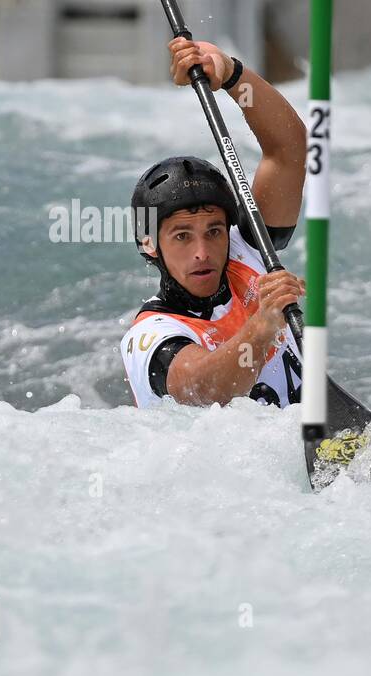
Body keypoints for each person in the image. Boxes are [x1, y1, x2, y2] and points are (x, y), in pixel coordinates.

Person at [121, 36, 307, 408]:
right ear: (149, 243)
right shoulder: (151, 334)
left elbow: (288, 148)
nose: (203, 252)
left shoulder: (248, 252)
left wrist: (232, 74)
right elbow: (202, 389)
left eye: (214, 231)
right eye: (182, 236)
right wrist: (262, 326)